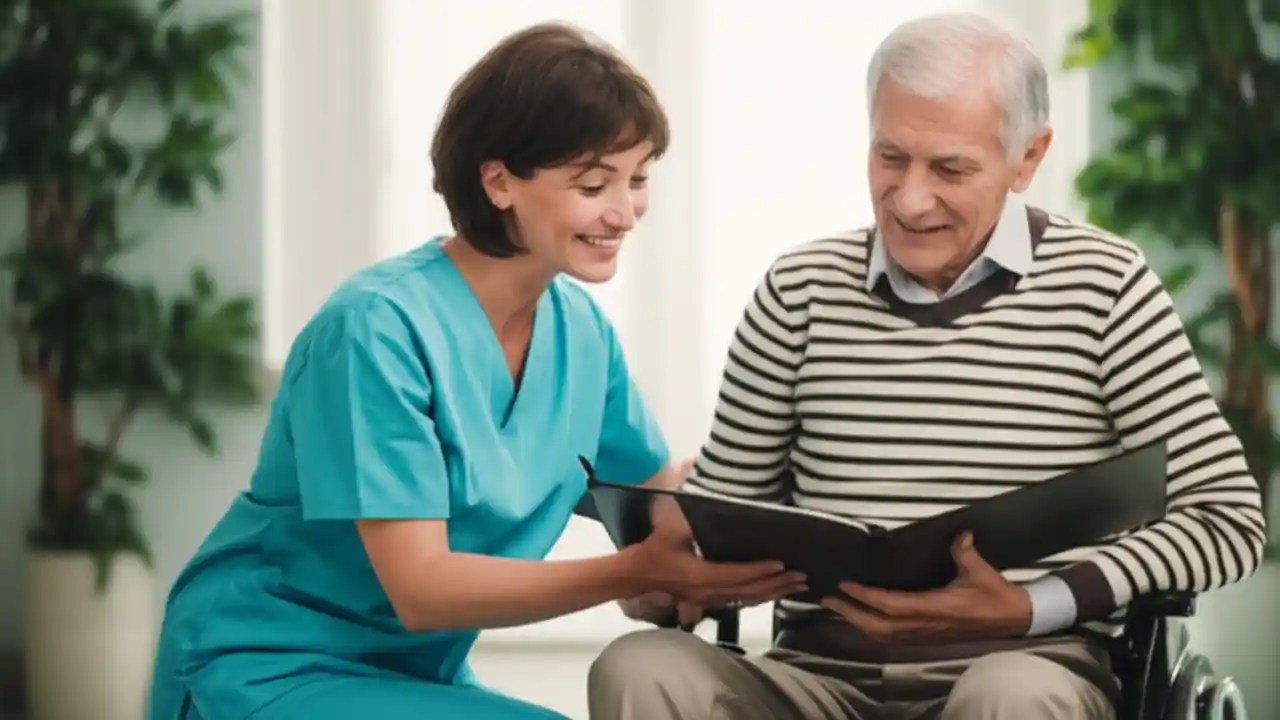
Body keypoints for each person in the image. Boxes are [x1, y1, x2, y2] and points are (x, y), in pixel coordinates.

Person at [589, 11, 1267, 720]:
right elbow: (726, 521)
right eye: (891, 157)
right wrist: (670, 572)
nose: (910, 200)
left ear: (1028, 158)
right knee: (641, 667)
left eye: (950, 168)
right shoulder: (800, 290)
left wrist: (1032, 604)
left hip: (1025, 666)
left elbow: (1227, 516)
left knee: (1011, 694)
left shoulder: (1105, 285)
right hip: (817, 676)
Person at [146, 22, 805, 720]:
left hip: (411, 675)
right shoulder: (374, 330)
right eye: (593, 183)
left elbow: (652, 503)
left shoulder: (581, 335)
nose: (624, 212)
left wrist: (715, 538)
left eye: (638, 179)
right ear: (498, 182)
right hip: (265, 663)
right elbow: (420, 588)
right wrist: (631, 572)